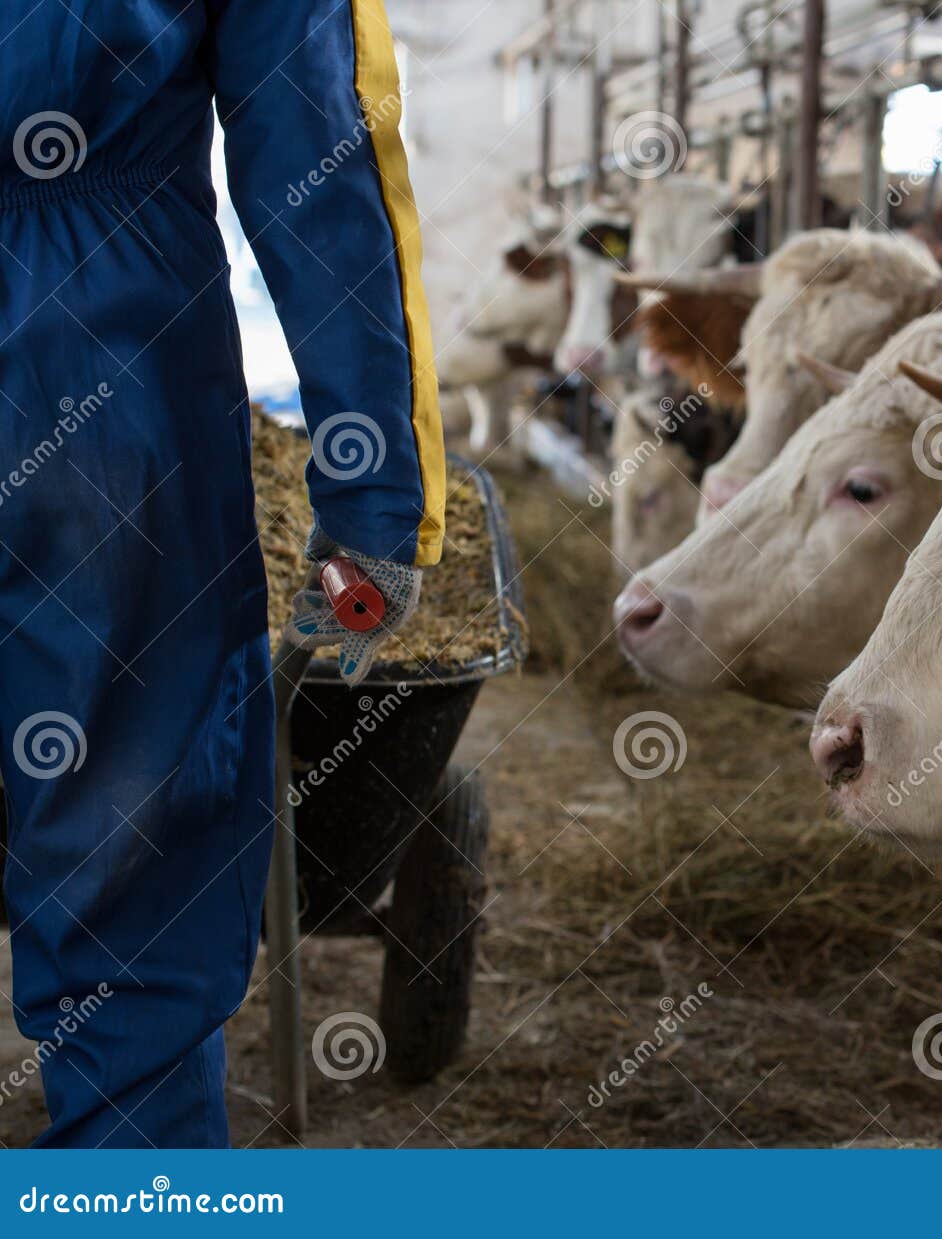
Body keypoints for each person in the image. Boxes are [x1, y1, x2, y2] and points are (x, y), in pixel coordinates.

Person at [0, 0, 443, 1146]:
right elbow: (321, 157)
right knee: (129, 876)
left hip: (101, 380)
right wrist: (374, 502)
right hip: (103, 383)